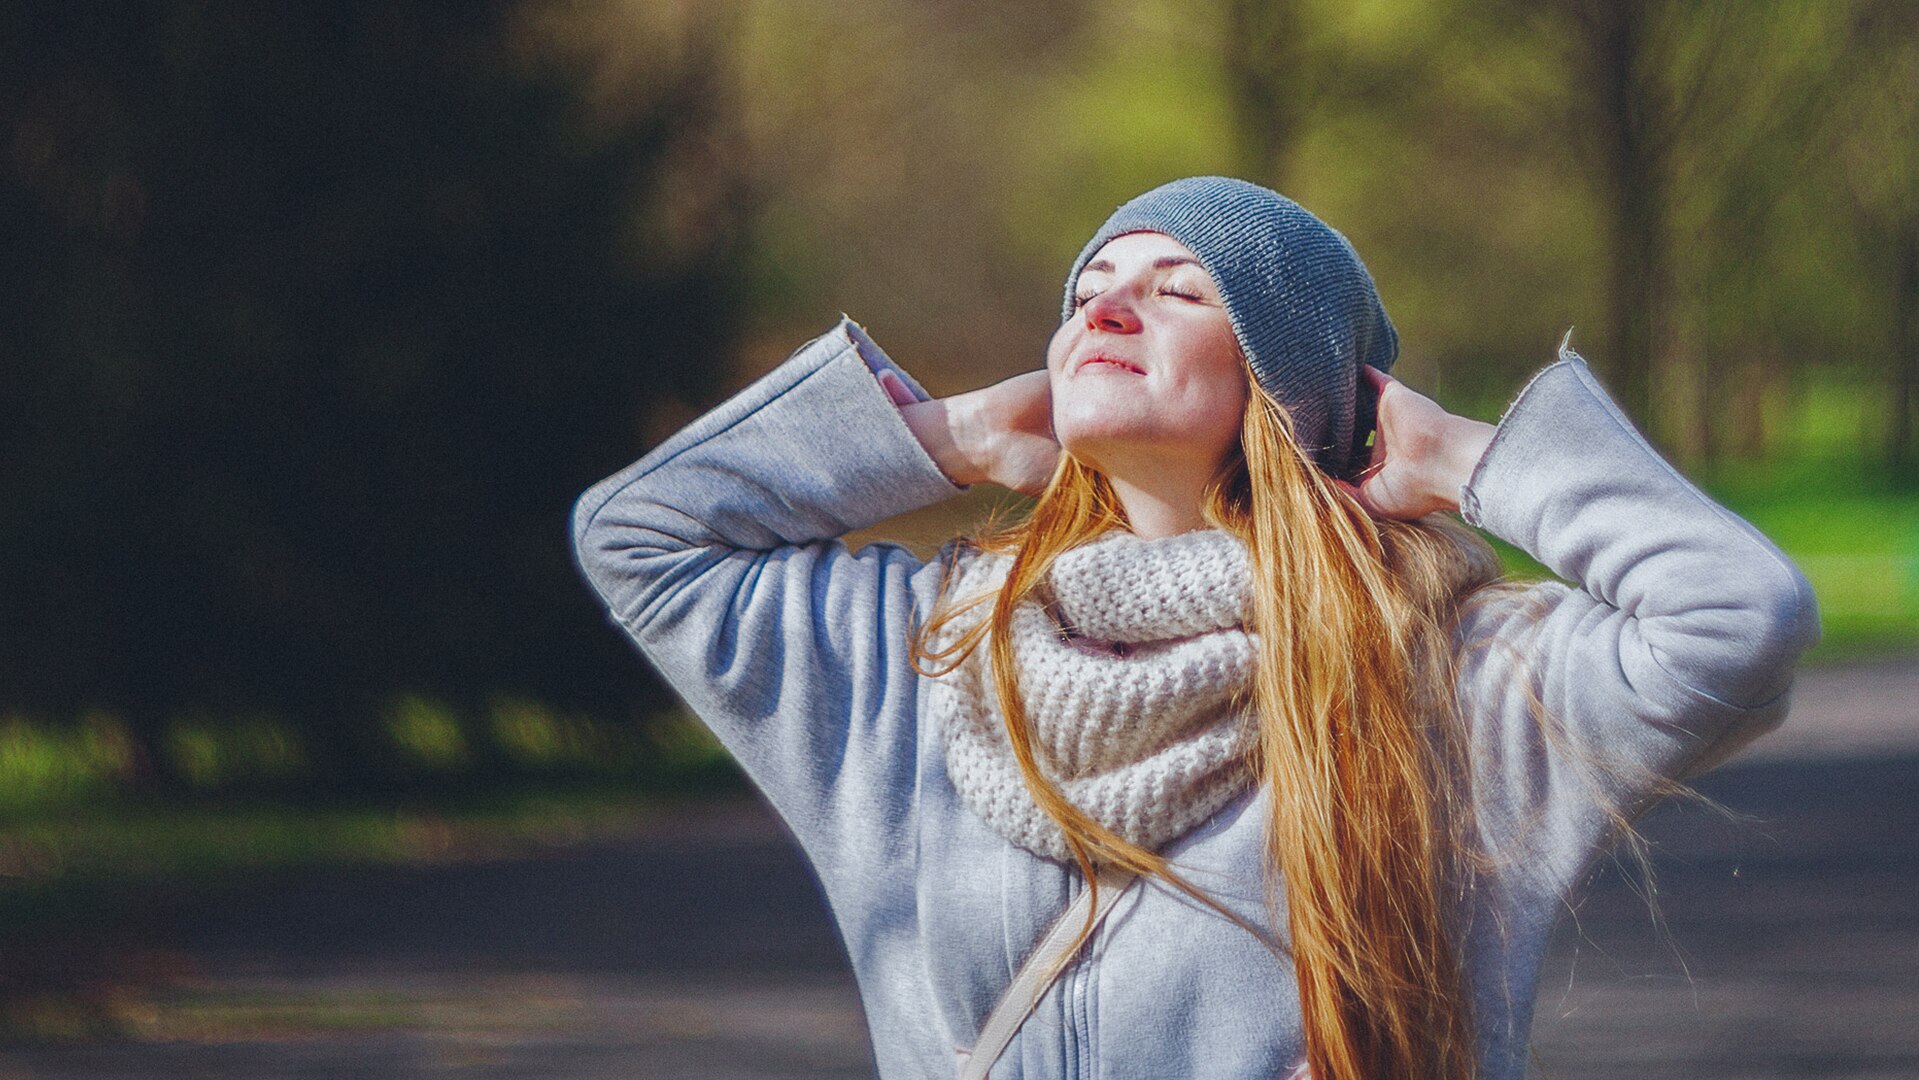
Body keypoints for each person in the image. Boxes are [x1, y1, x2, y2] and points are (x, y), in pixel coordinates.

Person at [572, 176, 1819, 1080]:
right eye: (1088, 292)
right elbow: (639, 539)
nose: (1107, 311)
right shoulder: (918, 657)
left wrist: (1461, 459)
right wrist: (939, 440)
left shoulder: (1448, 684)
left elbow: (1732, 616)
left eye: (1178, 291)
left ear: (1290, 394)